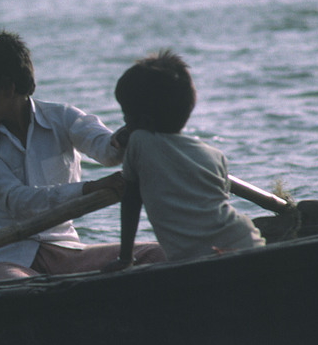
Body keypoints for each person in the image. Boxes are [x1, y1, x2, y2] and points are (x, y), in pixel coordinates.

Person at [0, 29, 163, 283]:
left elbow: (107, 151)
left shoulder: (63, 118)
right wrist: (91, 188)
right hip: (1, 255)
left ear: (7, 88)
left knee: (159, 253)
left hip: (64, 251)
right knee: (19, 284)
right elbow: (18, 201)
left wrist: (126, 137)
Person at [103, 50, 264, 269]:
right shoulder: (214, 155)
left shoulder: (139, 142)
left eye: (125, 115)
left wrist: (125, 259)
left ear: (140, 120)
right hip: (246, 240)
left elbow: (131, 201)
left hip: (204, 257)